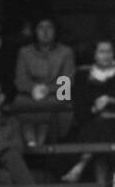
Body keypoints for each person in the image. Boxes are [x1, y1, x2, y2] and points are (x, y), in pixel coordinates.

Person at [62, 40, 115, 185]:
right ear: (95, 55)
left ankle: (81, 165)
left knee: (105, 130)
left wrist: (112, 101)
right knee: (100, 129)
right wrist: (96, 108)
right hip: (91, 125)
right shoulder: (82, 77)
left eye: (109, 51)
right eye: (101, 52)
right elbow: (78, 109)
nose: (106, 55)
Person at [12, 16, 75, 145]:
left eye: (49, 27)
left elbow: (66, 80)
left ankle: (39, 145)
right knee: (20, 103)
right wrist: (33, 89)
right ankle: (33, 145)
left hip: (58, 94)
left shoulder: (66, 52)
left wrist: (47, 90)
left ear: (55, 30)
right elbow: (20, 79)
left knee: (56, 105)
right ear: (35, 31)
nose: (45, 31)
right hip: (30, 94)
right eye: (41, 27)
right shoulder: (24, 52)